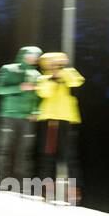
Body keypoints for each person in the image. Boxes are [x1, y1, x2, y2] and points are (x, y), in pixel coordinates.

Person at [34, 51, 85, 204]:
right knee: (48, 155)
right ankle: (45, 189)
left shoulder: (67, 73)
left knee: (68, 155)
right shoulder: (43, 78)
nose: (54, 66)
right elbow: (44, 93)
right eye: (51, 63)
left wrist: (62, 74)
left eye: (56, 63)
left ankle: (74, 190)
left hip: (66, 119)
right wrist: (53, 79)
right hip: (50, 120)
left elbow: (78, 81)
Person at [0, 45, 43, 187]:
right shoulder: (8, 69)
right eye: (32, 54)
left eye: (37, 56)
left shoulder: (37, 76)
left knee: (25, 152)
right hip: (9, 115)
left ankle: (20, 186)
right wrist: (19, 87)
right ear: (24, 54)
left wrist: (36, 112)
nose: (34, 58)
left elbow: (39, 98)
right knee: (4, 149)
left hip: (27, 119)